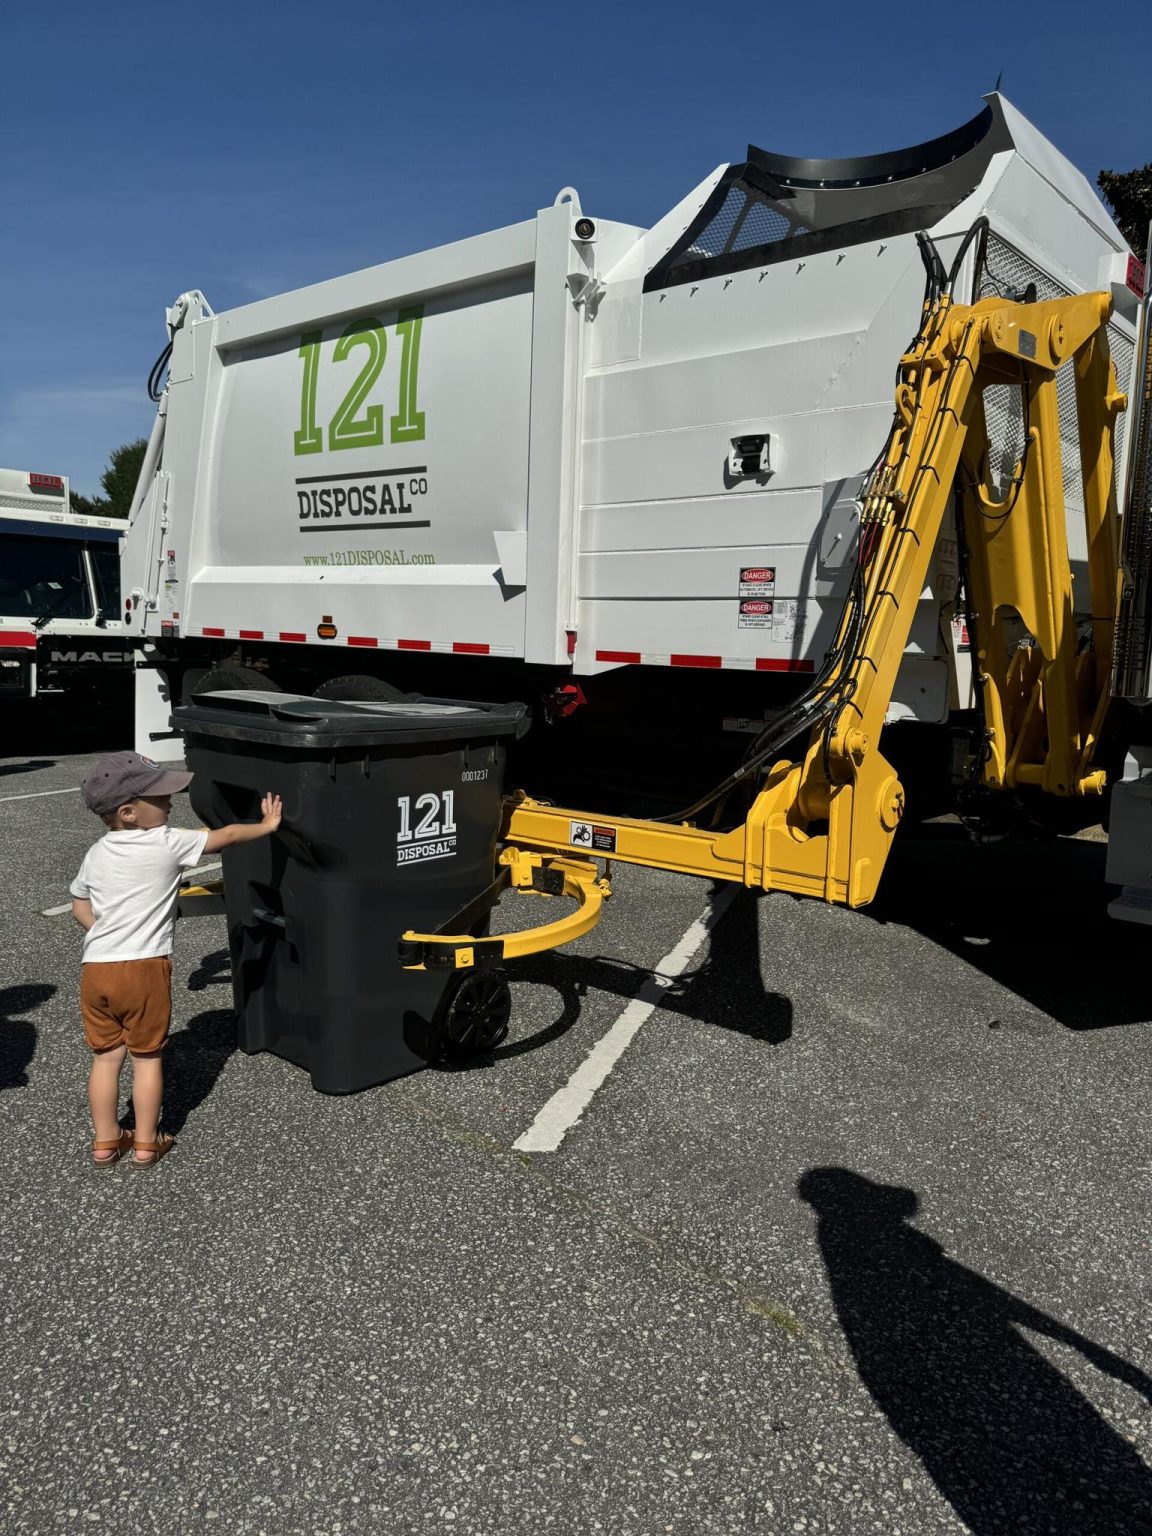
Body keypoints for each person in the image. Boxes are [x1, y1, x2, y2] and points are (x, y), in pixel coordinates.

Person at [70, 751, 282, 1169]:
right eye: (161, 798)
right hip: (143, 968)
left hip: (96, 969)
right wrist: (268, 825)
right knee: (147, 1060)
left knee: (106, 1057)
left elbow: (79, 903)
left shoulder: (96, 852)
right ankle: (147, 1142)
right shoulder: (166, 842)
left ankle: (105, 1141)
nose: (171, 802)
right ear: (129, 812)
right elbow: (226, 837)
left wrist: (100, 933)